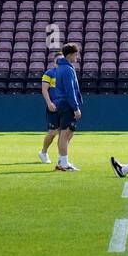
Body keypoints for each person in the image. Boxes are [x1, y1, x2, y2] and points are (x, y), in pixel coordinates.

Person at [49, 43, 83, 172]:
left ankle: (61, 161)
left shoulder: (60, 67)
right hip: (67, 104)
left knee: (67, 134)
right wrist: (75, 108)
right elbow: (70, 91)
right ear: (69, 55)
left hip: (61, 103)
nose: (76, 57)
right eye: (75, 54)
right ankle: (63, 163)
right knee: (65, 134)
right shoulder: (67, 69)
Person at [38, 55, 61, 164]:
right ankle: (43, 152)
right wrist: (49, 103)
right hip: (54, 107)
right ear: (54, 62)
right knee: (52, 133)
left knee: (65, 133)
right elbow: (44, 90)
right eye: (58, 60)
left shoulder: (67, 73)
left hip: (65, 107)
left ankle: (62, 158)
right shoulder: (49, 73)